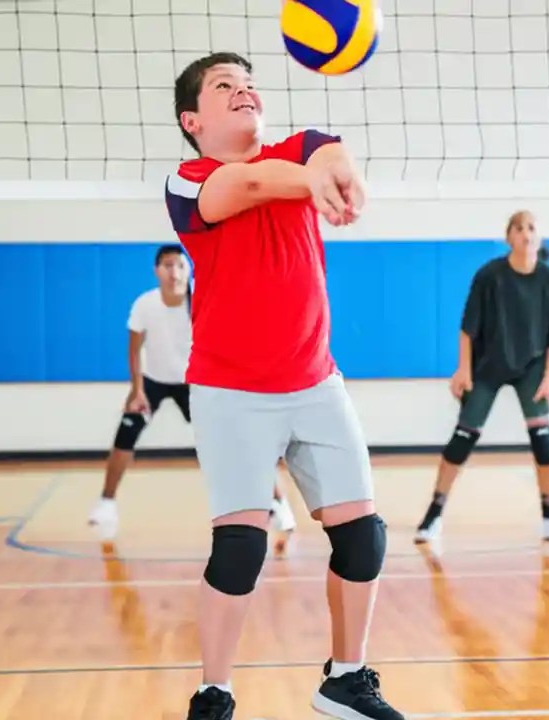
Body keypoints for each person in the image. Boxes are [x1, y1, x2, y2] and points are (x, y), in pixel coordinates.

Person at [165, 52, 403, 720]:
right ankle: (215, 691)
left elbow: (332, 158)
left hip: (315, 382)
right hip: (230, 390)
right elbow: (247, 187)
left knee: (365, 538)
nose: (243, 91)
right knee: (240, 547)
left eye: (249, 84)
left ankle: (346, 678)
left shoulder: (300, 148)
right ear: (193, 119)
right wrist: (311, 176)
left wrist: (335, 174)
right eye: (223, 87)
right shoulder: (187, 180)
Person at [88, 244, 298, 541]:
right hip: (154, 381)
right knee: (125, 436)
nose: (174, 272)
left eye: (180, 265)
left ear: (188, 270)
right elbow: (135, 351)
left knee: (240, 442)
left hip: (196, 381)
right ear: (156, 271)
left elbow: (228, 338)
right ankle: (106, 503)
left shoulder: (204, 297)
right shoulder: (144, 304)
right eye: (167, 266)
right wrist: (137, 391)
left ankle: (279, 504)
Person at [414, 210, 549, 545]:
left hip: (531, 367)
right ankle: (433, 515)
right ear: (509, 237)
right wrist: (463, 369)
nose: (526, 234)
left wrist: (548, 378)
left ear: (539, 236)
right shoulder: (489, 276)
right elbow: (467, 329)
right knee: (462, 439)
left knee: (544, 441)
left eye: (532, 227)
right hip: (488, 365)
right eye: (519, 229)